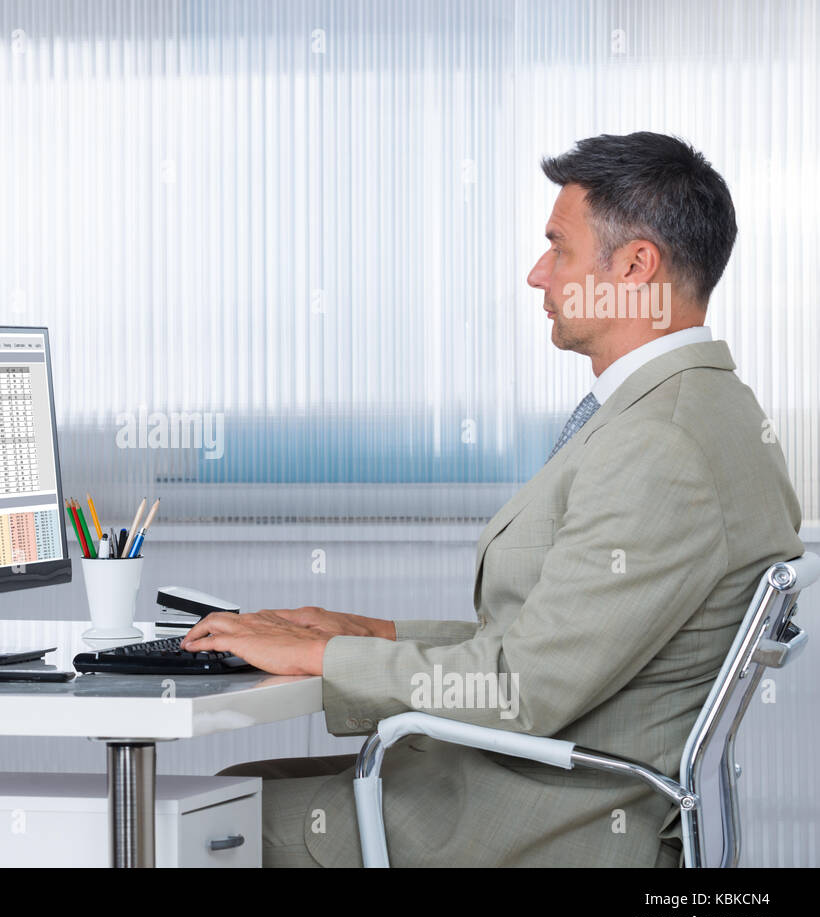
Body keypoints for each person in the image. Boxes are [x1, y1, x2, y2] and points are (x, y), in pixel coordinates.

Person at [182, 131, 805, 867]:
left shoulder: (660, 445)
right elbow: (561, 644)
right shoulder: (705, 409)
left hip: (545, 823)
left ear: (636, 265)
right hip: (547, 789)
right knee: (229, 791)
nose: (538, 275)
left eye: (558, 248)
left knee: (199, 825)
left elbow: (523, 687)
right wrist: (369, 632)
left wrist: (322, 655)